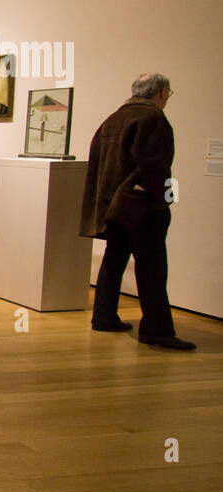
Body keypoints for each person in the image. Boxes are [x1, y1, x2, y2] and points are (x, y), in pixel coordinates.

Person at [80, 73, 194, 350]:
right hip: (141, 207)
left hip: (114, 207)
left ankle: (104, 317)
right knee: (153, 269)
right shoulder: (152, 119)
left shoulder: (113, 119)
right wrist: (165, 201)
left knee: (114, 261)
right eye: (168, 93)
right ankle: (157, 331)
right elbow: (156, 168)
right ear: (162, 93)